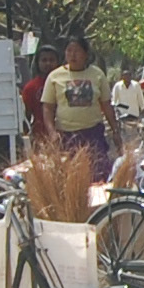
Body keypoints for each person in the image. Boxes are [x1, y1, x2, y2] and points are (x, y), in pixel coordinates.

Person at [43, 37, 115, 181]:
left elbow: (107, 105)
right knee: (70, 177)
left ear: (86, 54)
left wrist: (115, 131)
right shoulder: (55, 76)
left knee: (97, 175)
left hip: (92, 133)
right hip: (67, 136)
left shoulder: (97, 75)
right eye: (69, 51)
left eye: (77, 51)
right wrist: (52, 132)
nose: (72, 55)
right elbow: (48, 107)